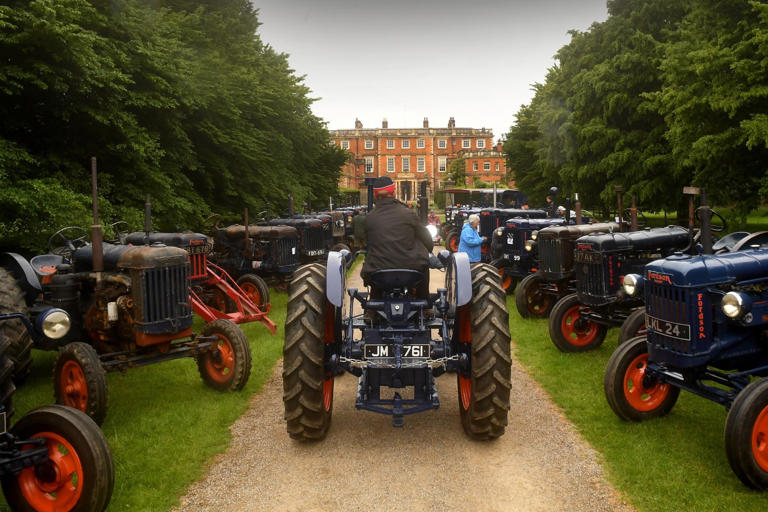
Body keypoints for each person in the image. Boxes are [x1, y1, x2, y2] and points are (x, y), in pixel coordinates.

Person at [362, 176, 434, 298]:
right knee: (424, 265)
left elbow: (367, 243)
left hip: (379, 272)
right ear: (394, 192)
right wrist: (428, 248)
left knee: (374, 269)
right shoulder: (408, 214)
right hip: (411, 270)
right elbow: (427, 239)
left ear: (375, 195)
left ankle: (374, 301)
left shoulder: (369, 218)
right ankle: (424, 301)